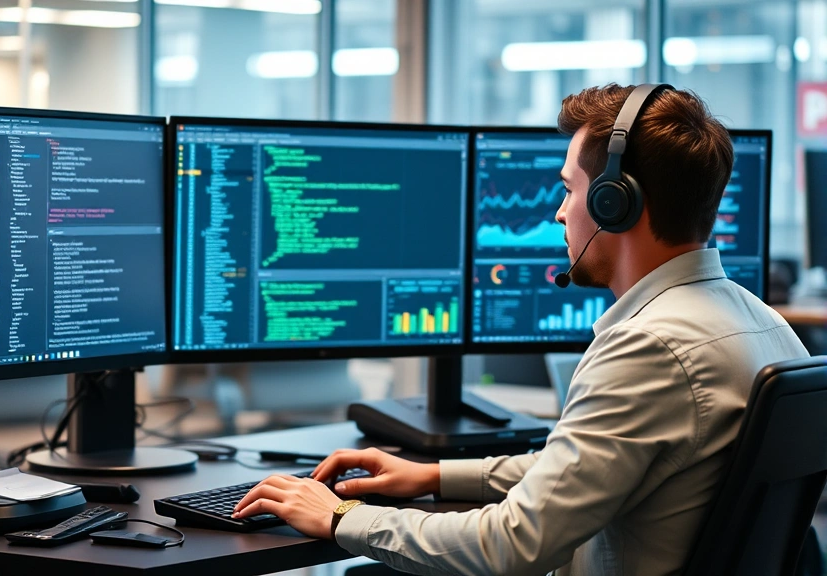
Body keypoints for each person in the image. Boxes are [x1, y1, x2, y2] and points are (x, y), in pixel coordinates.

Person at [232, 84, 810, 575]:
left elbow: (516, 542)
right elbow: (580, 469)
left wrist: (340, 517)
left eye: (569, 189)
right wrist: (433, 475)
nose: (560, 213)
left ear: (616, 204)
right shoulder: (763, 324)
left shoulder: (650, 346)